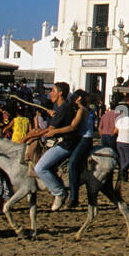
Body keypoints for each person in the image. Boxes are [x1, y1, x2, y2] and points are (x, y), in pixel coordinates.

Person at [22, 82, 81, 211]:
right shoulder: (61, 107)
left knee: (40, 168)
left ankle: (59, 193)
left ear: (60, 93)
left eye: (53, 91)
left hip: (65, 144)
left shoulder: (64, 108)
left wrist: (29, 136)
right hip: (60, 141)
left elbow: (50, 129)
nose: (50, 94)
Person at [65, 91, 95, 209]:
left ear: (78, 99)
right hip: (84, 138)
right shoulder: (85, 109)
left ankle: (73, 197)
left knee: (72, 163)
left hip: (85, 139)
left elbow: (73, 126)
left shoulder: (81, 110)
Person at [114, 105, 129, 181]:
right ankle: (122, 170)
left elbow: (115, 131)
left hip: (119, 141)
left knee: (123, 159)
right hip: (128, 142)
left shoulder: (119, 121)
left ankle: (124, 176)